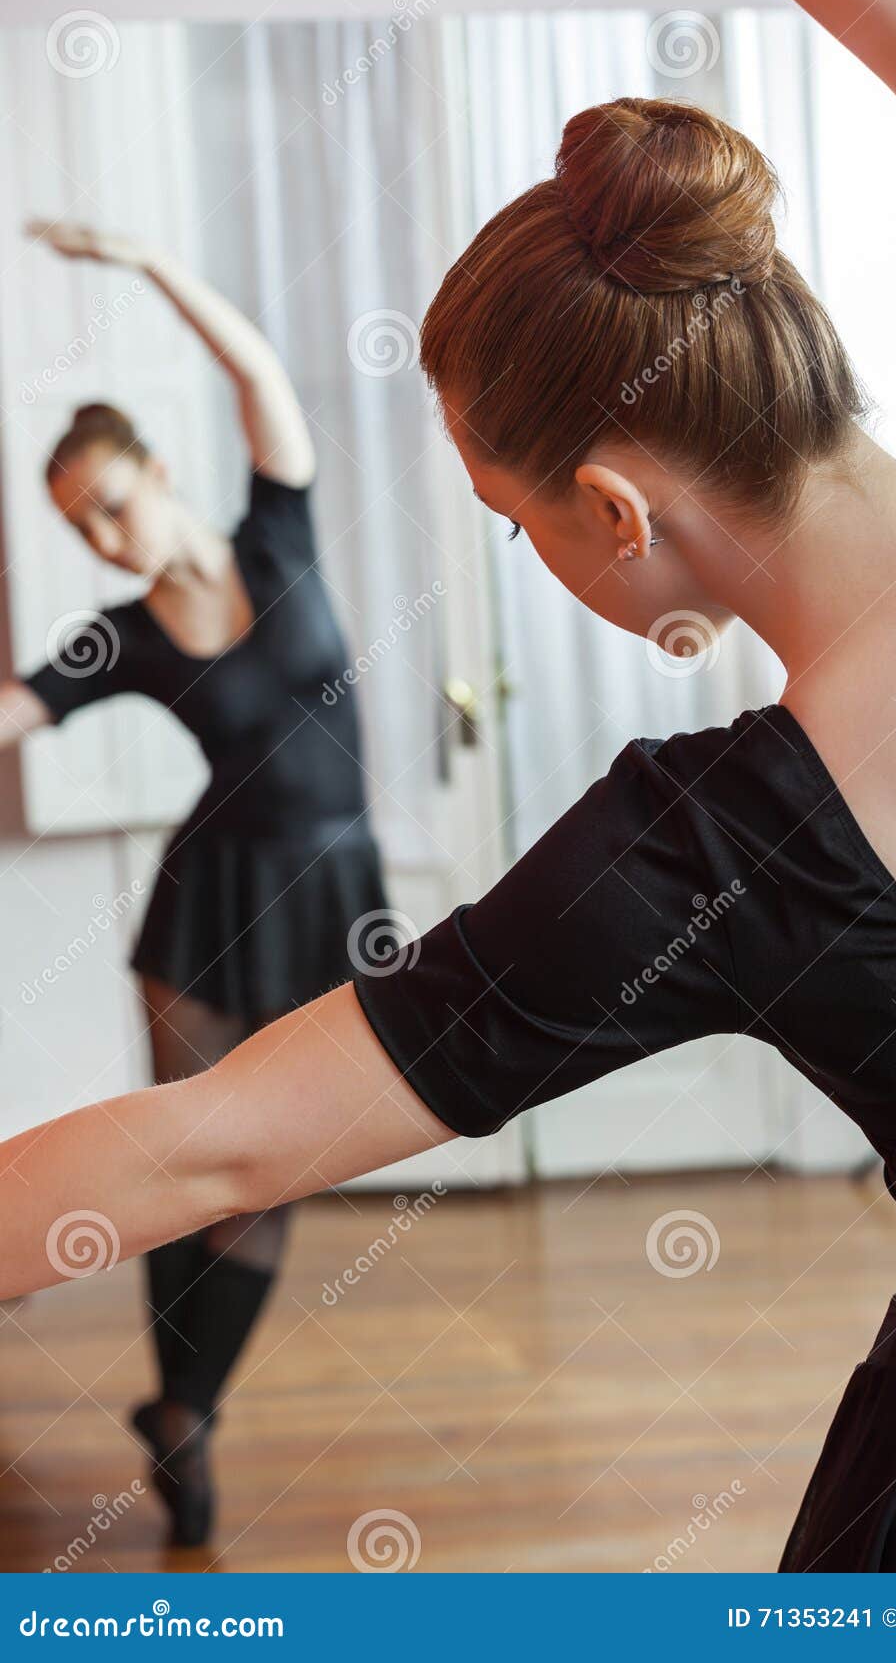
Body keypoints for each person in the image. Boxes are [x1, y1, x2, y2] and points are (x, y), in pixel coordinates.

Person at [2, 0, 896, 1568]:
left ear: (615, 511)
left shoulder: (712, 850)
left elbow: (211, 1141)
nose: (531, 554)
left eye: (517, 521)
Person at [0, 225, 390, 1547]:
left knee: (268, 1175)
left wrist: (142, 263)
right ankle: (184, 1412)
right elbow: (18, 708)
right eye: (77, 525)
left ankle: (180, 1407)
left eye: (111, 500)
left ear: (158, 471)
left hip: (332, 883)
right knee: (189, 1160)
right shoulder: (119, 636)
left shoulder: (274, 530)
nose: (104, 536)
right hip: (209, 899)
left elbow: (257, 371)